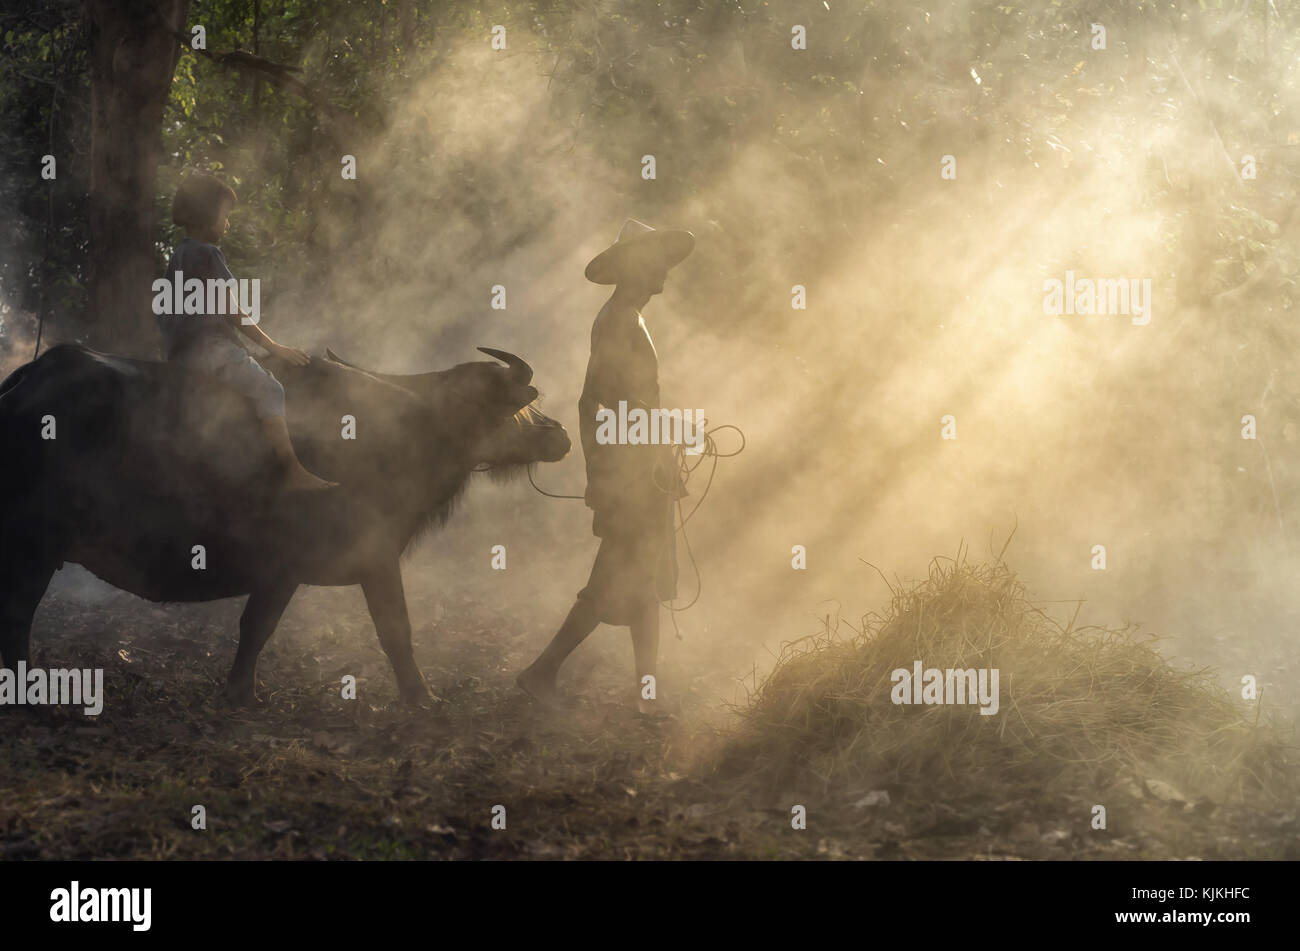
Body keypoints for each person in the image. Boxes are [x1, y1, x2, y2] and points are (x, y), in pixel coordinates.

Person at [518, 219, 694, 714]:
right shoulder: (618, 318)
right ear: (638, 266)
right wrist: (602, 474)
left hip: (644, 469)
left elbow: (630, 408)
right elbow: (591, 401)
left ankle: (647, 695)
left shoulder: (628, 317)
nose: (665, 270)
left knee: (646, 579)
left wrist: (668, 434)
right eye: (658, 259)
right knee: (615, 579)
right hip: (631, 477)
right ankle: (540, 672)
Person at [160, 172, 335, 491]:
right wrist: (274, 346)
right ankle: (292, 470)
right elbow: (235, 313)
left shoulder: (179, 255)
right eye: (225, 217)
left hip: (182, 355)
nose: (227, 225)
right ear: (208, 215)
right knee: (271, 390)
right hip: (212, 350)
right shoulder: (209, 254)